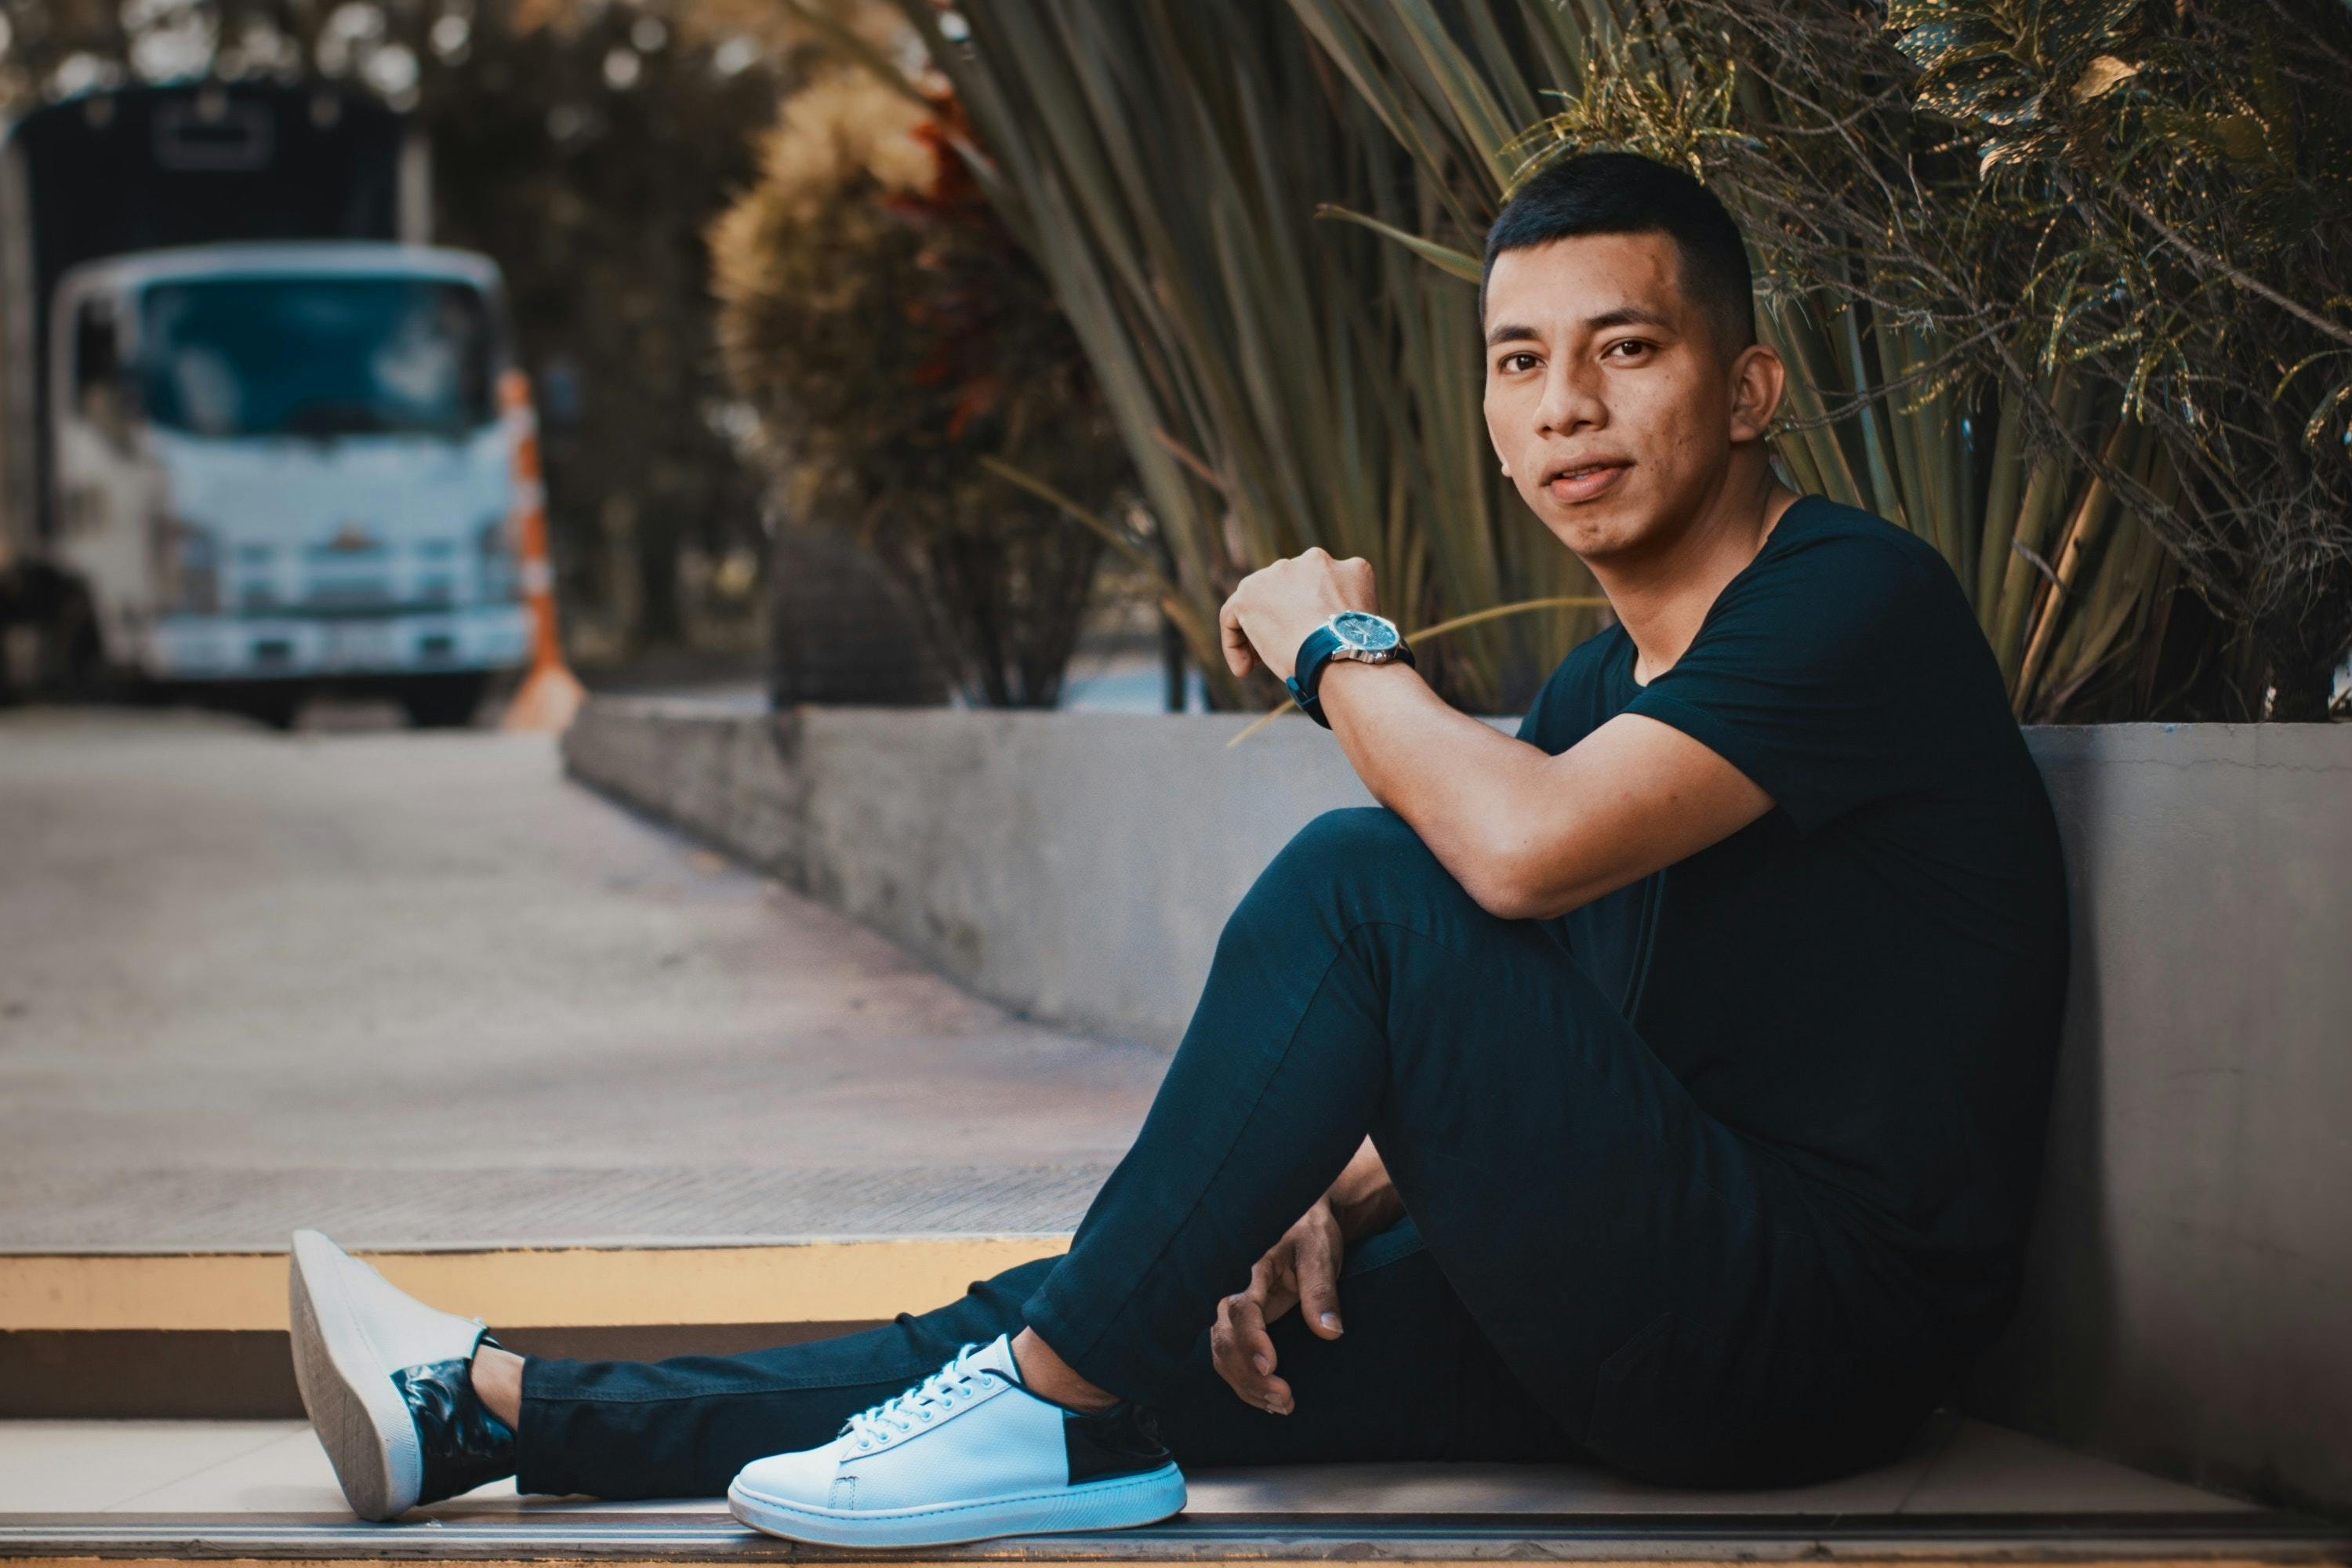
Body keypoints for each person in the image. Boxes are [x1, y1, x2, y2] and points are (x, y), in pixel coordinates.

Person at [287, 151, 2071, 1545]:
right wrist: (1324, 1199)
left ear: (1750, 388)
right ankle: (497, 1410)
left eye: (1629, 349)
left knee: (1365, 891)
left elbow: (1513, 864)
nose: (1566, 409)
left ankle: (1052, 1416)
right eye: (1520, 361)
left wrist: (1333, 647)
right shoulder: (1609, 672)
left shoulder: (1854, 603)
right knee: (1112, 1302)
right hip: (1653, 1282)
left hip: (1802, 1338)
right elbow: (1595, 1023)